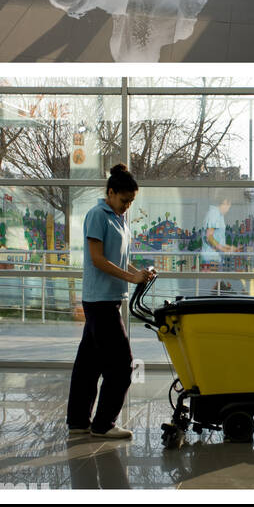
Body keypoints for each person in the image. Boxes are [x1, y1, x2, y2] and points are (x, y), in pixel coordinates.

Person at [66, 163, 156, 442]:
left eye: (131, 202)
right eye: (124, 200)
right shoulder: (97, 215)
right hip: (100, 301)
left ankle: (79, 421)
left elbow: (117, 258)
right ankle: (104, 423)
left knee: (88, 365)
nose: (127, 206)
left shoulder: (120, 218)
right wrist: (130, 278)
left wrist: (137, 273)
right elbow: (97, 258)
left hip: (109, 299)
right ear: (111, 192)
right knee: (121, 366)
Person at [201, 195, 236, 293]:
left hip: (215, 258)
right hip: (211, 258)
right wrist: (224, 249)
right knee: (215, 288)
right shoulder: (214, 213)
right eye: (228, 206)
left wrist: (229, 248)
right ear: (224, 203)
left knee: (217, 288)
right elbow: (209, 237)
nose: (228, 209)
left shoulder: (219, 215)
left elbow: (217, 239)